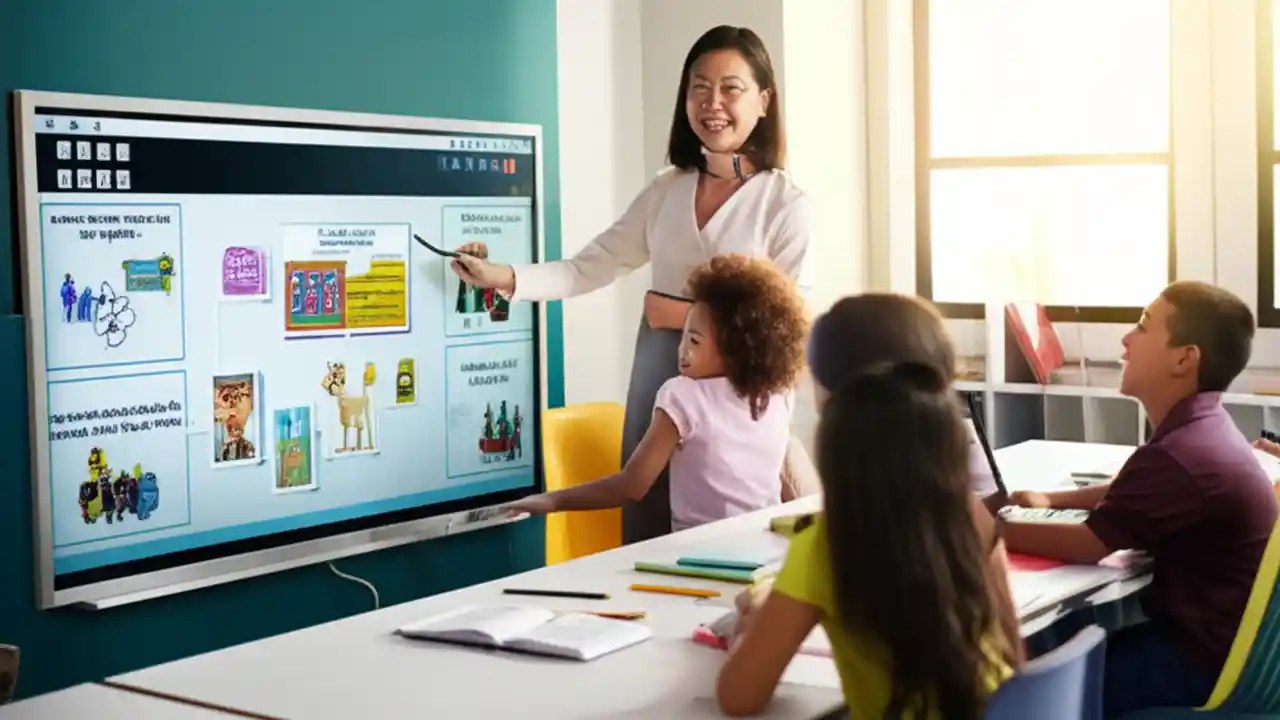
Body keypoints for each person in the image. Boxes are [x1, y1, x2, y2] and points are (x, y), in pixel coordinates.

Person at [451, 25, 812, 544]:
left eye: (731, 88)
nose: (713, 102)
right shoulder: (667, 189)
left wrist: (670, 310)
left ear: (764, 100)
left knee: (741, 530)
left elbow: (786, 328)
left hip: (744, 390)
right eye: (698, 86)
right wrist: (503, 278)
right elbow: (587, 267)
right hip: (660, 363)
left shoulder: (784, 203)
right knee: (645, 519)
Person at [717, 293, 1023, 718]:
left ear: (833, 417)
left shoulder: (825, 547)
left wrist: (754, 626)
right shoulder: (971, 516)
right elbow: (1015, 662)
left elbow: (739, 696)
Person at [1002, 281, 1278, 719]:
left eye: (1143, 326)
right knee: (1057, 633)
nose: (1126, 339)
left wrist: (988, 529)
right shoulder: (1206, 427)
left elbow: (1089, 544)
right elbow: (1133, 492)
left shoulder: (1183, 452)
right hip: (1222, 653)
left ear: (1184, 358)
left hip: (1195, 667)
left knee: (1028, 687)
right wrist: (1048, 498)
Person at [504, 255, 807, 530]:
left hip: (701, 552)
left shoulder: (683, 395)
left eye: (695, 341)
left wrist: (553, 501)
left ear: (735, 349)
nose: (682, 350)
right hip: (763, 540)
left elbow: (633, 484)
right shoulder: (776, 395)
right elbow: (777, 481)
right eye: (684, 336)